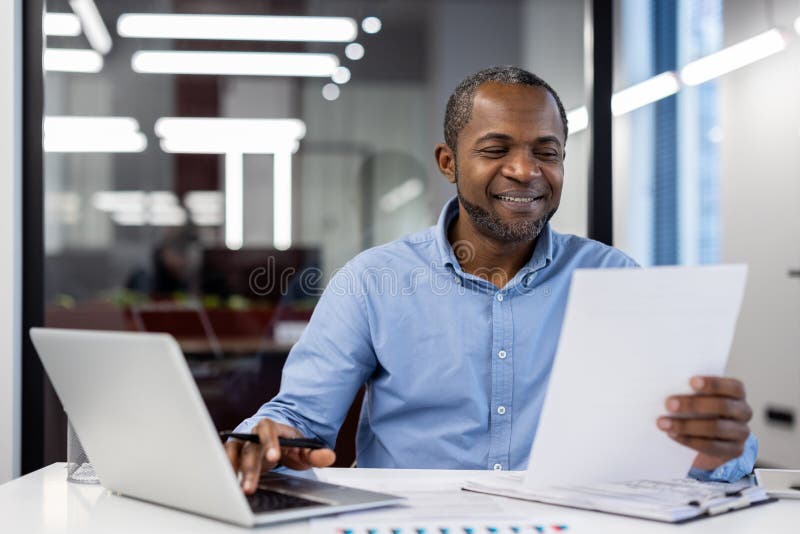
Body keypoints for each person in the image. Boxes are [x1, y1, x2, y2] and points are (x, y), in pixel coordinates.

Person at [225, 66, 756, 494]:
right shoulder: (372, 280)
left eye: (546, 152)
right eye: (497, 149)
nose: (525, 170)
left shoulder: (613, 278)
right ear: (448, 162)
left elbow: (693, 447)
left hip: (573, 521)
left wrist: (717, 445)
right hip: (411, 522)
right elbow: (297, 417)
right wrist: (268, 442)